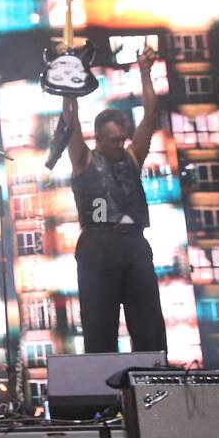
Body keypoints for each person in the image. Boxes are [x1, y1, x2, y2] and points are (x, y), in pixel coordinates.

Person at [63, 46, 168, 354]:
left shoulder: (131, 157)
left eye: (122, 138)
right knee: (99, 325)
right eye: (113, 139)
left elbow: (150, 114)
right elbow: (71, 125)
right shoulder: (83, 159)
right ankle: (101, 395)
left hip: (134, 243)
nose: (120, 144)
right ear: (98, 138)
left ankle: (155, 383)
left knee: (148, 324)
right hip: (98, 245)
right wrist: (69, 88)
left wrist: (145, 72)